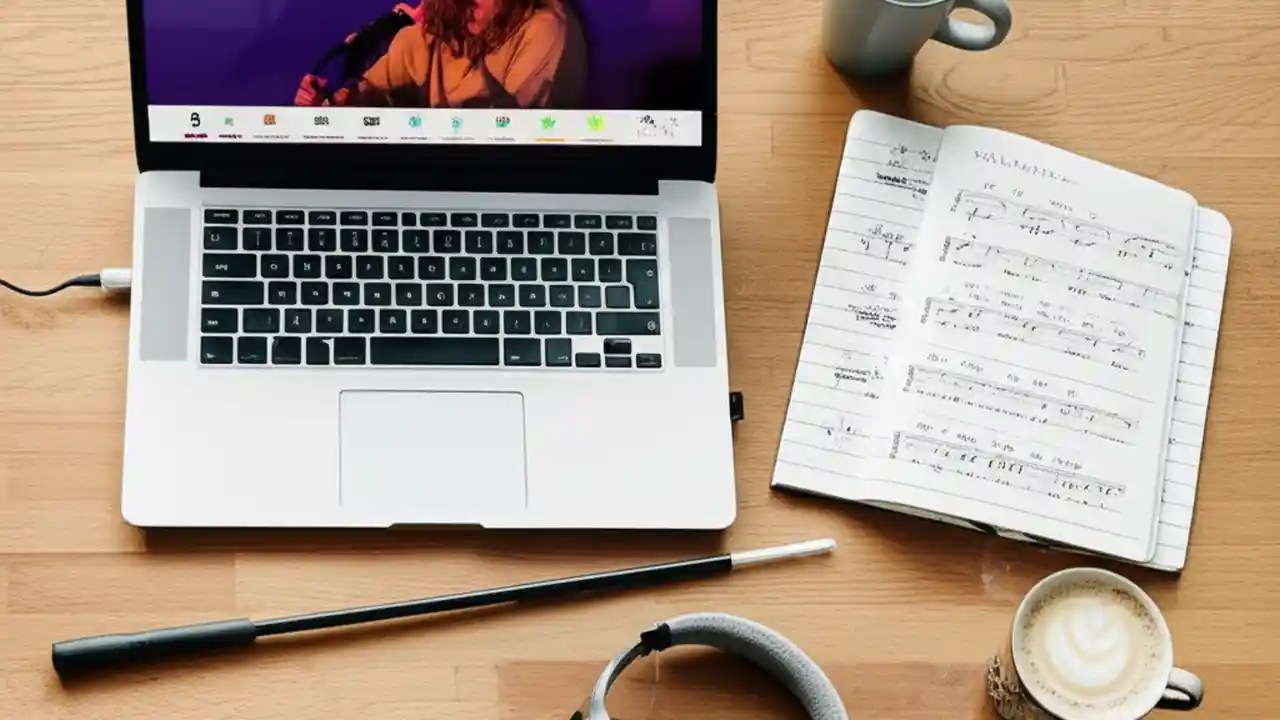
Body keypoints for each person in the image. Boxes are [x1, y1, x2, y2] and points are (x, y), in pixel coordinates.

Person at [295, 0, 586, 108]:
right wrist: (329, 108)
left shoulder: (546, 30)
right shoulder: (424, 34)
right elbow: (368, 95)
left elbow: (517, 147)